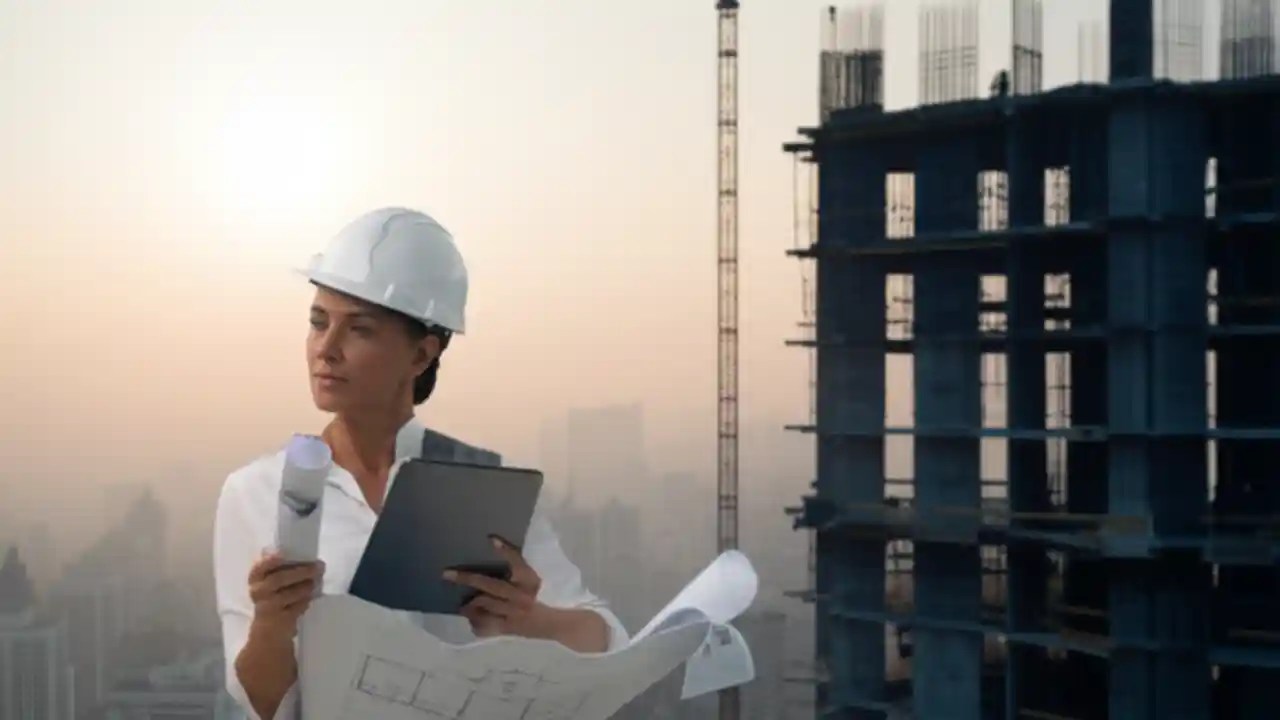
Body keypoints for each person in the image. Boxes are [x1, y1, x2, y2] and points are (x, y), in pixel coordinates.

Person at [213, 207, 628, 720]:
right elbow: (262, 705)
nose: (326, 349)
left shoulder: (483, 487)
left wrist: (532, 620)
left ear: (421, 355)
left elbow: (609, 644)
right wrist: (271, 627)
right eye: (318, 323)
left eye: (359, 330)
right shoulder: (255, 493)